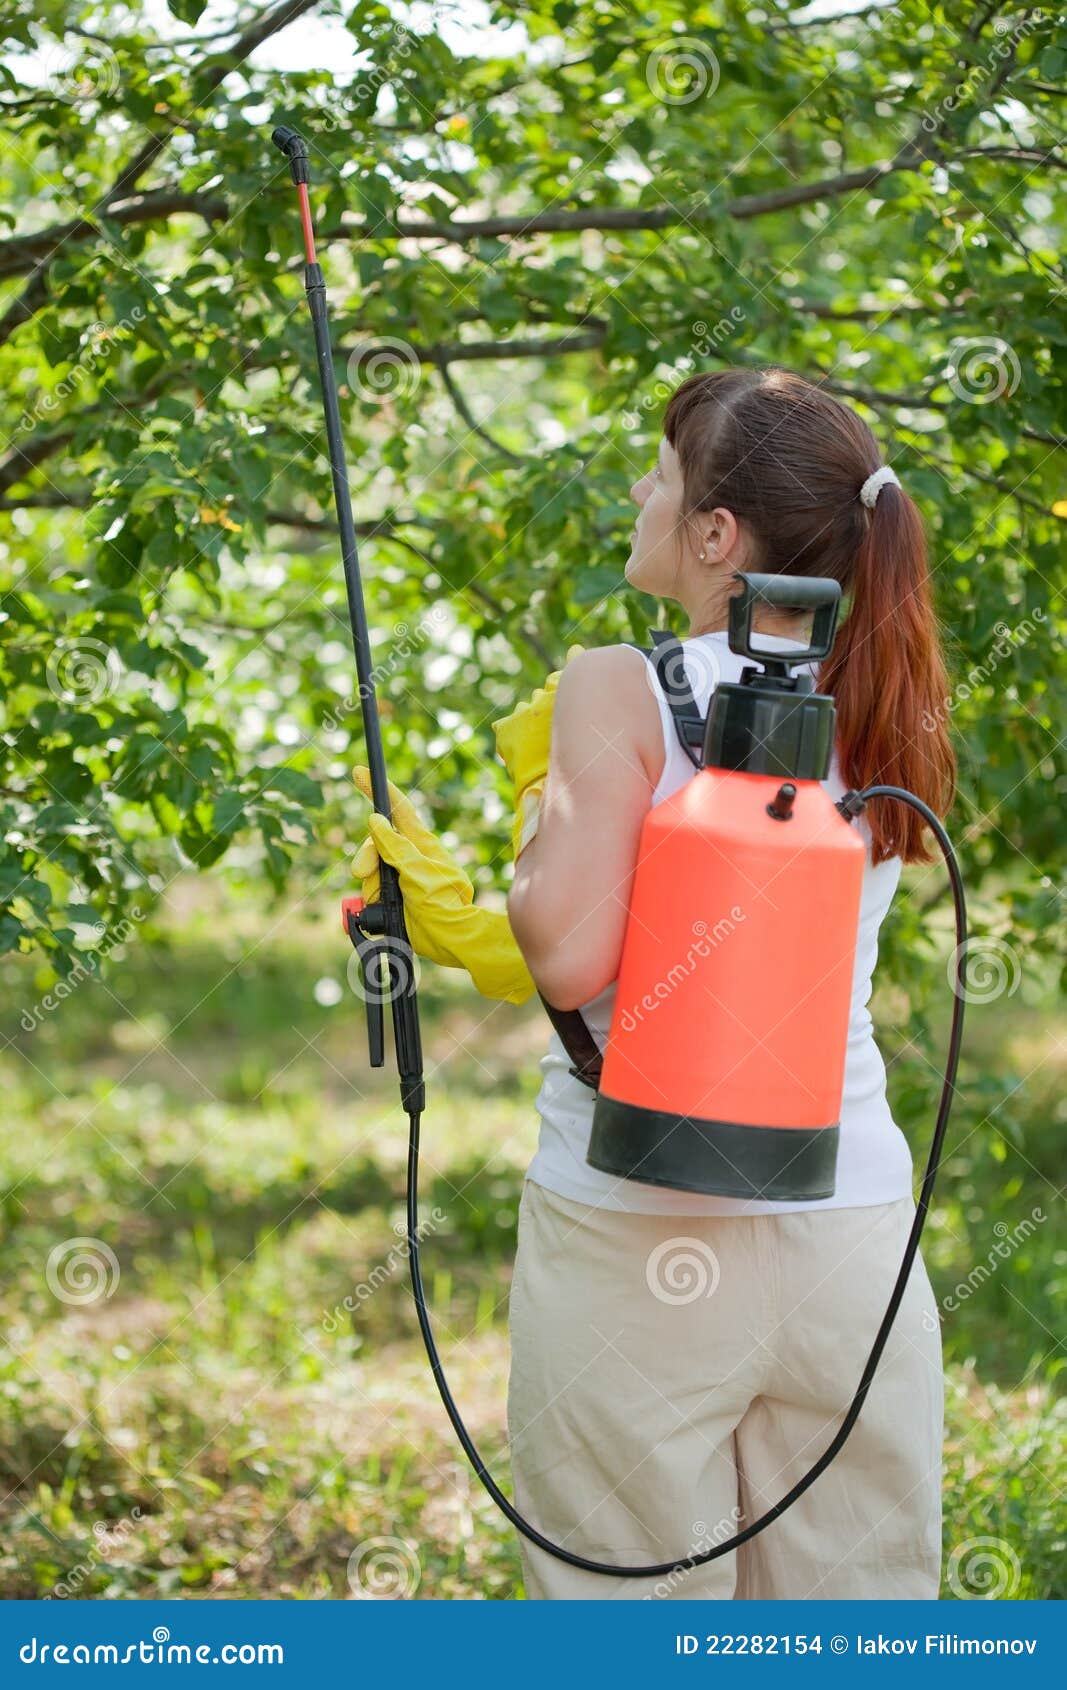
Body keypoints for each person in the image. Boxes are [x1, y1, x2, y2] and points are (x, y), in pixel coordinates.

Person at [354, 366, 957, 1601]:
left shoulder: (616, 684)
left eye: (662, 474)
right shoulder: (881, 702)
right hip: (847, 1224)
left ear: (714, 535)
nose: (640, 490)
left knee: (627, 1621)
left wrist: (531, 827)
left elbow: (571, 953)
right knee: (853, 1626)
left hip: (632, 1222)